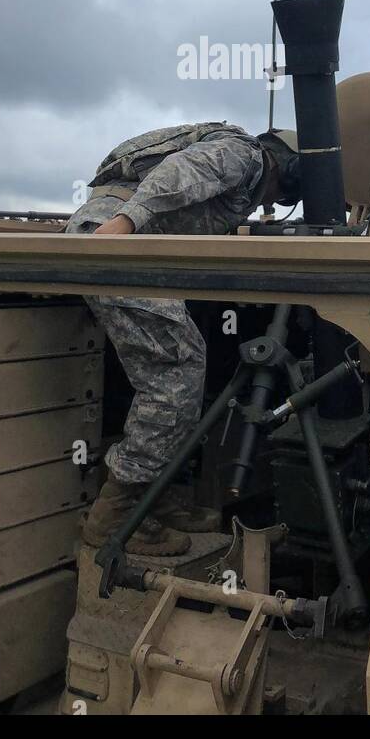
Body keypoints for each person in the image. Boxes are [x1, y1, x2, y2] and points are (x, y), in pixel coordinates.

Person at [65, 121, 302, 556]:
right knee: (176, 374)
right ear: (284, 169)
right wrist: (125, 224)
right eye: (281, 195)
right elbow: (181, 171)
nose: (270, 203)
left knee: (183, 366)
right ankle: (114, 516)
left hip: (130, 245)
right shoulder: (245, 154)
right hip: (120, 246)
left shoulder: (237, 165)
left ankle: (157, 496)